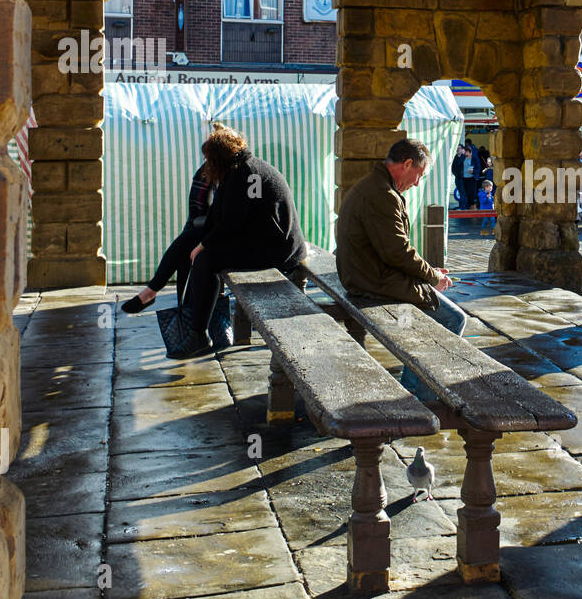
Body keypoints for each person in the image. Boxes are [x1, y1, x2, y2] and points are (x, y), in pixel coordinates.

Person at [337, 138, 464, 402]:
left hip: (364, 276)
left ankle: (413, 387)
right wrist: (433, 276)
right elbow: (397, 252)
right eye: (419, 174)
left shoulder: (373, 187)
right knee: (453, 319)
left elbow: (392, 249)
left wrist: (427, 272)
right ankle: (422, 397)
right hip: (373, 283)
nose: (418, 183)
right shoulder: (382, 195)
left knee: (423, 318)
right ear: (407, 164)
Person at [167, 124, 307, 358]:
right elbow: (220, 215)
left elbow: (231, 222)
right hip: (267, 241)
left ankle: (198, 335)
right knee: (201, 251)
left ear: (218, 158)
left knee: (206, 259)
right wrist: (200, 241)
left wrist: (203, 246)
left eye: (209, 160)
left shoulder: (246, 174)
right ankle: (197, 329)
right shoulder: (242, 169)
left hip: (277, 249)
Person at [121, 162, 214, 312]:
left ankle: (154, 291)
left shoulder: (233, 173)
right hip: (204, 229)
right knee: (187, 249)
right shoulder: (205, 171)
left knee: (189, 244)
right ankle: (183, 311)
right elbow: (195, 211)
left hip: (222, 233)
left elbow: (226, 217)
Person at [461, 140, 481, 209]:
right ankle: (467, 205)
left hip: (472, 177)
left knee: (471, 192)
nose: (464, 153)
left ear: (469, 152)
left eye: (465, 151)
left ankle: (472, 204)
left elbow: (478, 168)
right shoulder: (463, 158)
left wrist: (473, 171)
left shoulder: (474, 158)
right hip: (464, 177)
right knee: (465, 191)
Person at [451, 144, 467, 210]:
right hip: (457, 178)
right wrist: (456, 174)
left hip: (463, 178)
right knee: (460, 192)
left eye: (459, 148)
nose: (458, 149)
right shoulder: (454, 157)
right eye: (457, 148)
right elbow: (453, 168)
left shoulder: (464, 157)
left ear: (462, 149)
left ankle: (463, 206)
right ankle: (461, 206)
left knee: (463, 192)